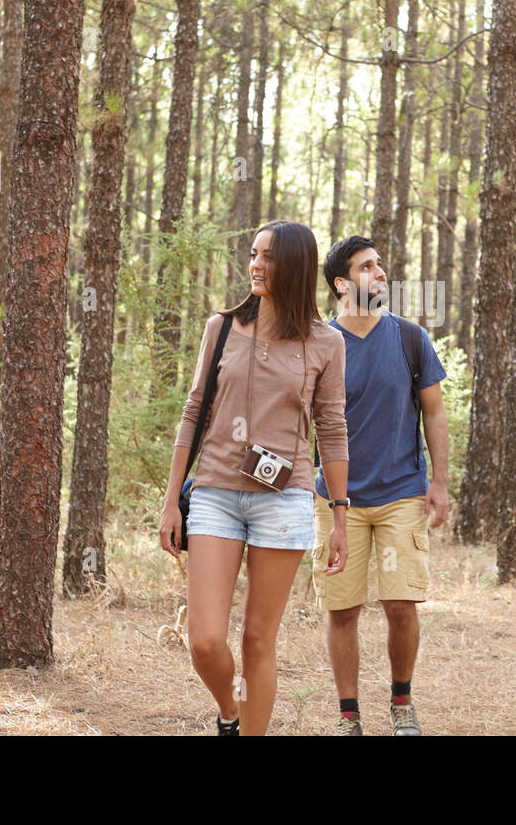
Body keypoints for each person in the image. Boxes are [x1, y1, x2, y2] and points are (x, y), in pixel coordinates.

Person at [159, 220, 351, 736]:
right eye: (253, 254)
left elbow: (332, 428)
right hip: (216, 493)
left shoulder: (326, 343)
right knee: (204, 639)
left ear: (295, 266)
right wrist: (170, 501)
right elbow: (193, 409)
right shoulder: (221, 327)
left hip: (283, 501)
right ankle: (230, 711)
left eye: (268, 257)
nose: (256, 265)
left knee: (258, 640)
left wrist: (340, 515)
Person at [312, 236, 449, 736]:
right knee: (342, 608)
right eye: (368, 267)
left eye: (381, 263)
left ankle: (402, 704)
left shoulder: (410, 337)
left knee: (400, 603)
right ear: (342, 284)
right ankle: (349, 715)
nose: (382, 272)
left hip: (401, 494)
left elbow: (434, 413)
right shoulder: (322, 343)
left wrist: (440, 481)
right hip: (335, 500)